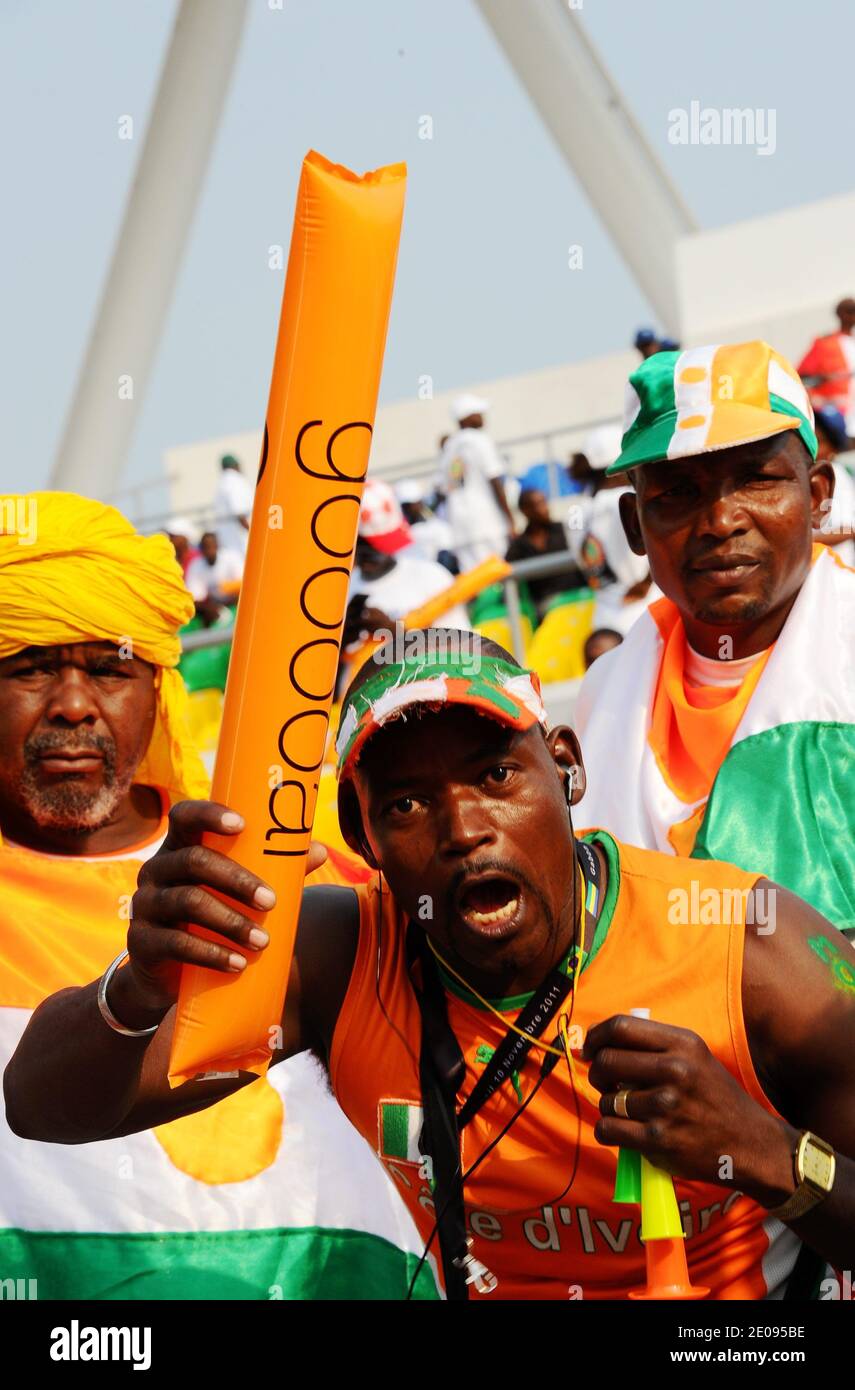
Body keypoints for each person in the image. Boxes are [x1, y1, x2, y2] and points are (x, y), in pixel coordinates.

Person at [7, 630, 855, 1301]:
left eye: (494, 775)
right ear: (360, 833)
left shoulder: (747, 944)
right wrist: (141, 982)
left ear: (564, 767)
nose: (462, 831)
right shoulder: (338, 956)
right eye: (407, 802)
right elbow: (47, 1107)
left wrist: (767, 1154)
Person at [0, 492, 428, 1300]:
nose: (72, 704)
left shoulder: (313, 873)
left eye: (109, 669)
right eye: (27, 668)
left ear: (158, 689)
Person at [574, 341, 854, 936]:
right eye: (678, 492)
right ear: (634, 526)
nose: (721, 521)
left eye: (756, 478)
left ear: (818, 497)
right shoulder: (605, 693)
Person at [348, 479, 472, 632]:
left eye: (374, 546)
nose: (369, 556)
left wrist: (395, 631)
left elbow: (462, 650)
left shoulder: (430, 577)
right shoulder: (343, 593)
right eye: (361, 547)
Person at [575, 425, 660, 636]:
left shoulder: (577, 510)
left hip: (604, 619)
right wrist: (647, 581)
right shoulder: (624, 500)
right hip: (647, 609)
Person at [439, 395, 516, 570]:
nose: (483, 417)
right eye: (478, 413)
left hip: (460, 525)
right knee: (498, 574)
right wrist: (510, 519)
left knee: (474, 580)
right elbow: (494, 479)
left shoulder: (450, 446)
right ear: (467, 417)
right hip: (487, 521)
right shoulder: (479, 439)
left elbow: (443, 487)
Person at [505, 488, 584, 621]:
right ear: (525, 510)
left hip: (578, 597)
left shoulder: (564, 530)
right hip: (544, 609)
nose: (545, 508)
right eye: (538, 504)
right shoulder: (519, 545)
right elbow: (508, 575)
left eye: (544, 502)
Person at [798, 297, 855, 436]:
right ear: (841, 314)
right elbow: (802, 374)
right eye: (851, 311)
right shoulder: (824, 343)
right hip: (838, 415)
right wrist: (822, 378)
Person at [812, 406, 855, 566]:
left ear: (833, 449)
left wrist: (800, 540)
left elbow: (848, 529)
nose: (813, 446)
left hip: (835, 573)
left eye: (819, 440)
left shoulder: (836, 475)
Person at [395, 480, 458, 573]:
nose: (413, 508)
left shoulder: (437, 527)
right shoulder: (397, 536)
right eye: (406, 506)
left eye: (415, 503)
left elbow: (448, 560)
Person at [185, 531, 244, 611]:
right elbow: (196, 597)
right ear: (201, 549)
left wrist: (226, 588)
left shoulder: (231, 557)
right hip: (217, 608)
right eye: (205, 547)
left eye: (211, 546)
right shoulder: (196, 566)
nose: (209, 550)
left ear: (217, 546)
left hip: (239, 601)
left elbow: (244, 584)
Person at [214, 455, 254, 558]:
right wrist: (255, 534)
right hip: (241, 540)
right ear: (235, 465)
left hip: (228, 542)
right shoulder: (235, 481)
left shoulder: (221, 483)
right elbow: (239, 512)